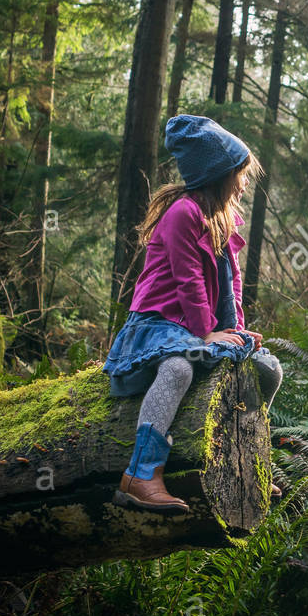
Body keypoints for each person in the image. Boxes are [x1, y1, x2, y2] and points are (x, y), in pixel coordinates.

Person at [104, 114, 283, 514]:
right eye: (240, 172)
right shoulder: (183, 213)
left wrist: (234, 330)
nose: (245, 180)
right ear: (218, 172)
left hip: (201, 326)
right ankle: (140, 474)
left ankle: (251, 464)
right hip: (160, 322)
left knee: (268, 368)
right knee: (178, 371)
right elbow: (188, 280)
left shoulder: (226, 218)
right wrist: (205, 335)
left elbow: (231, 281)